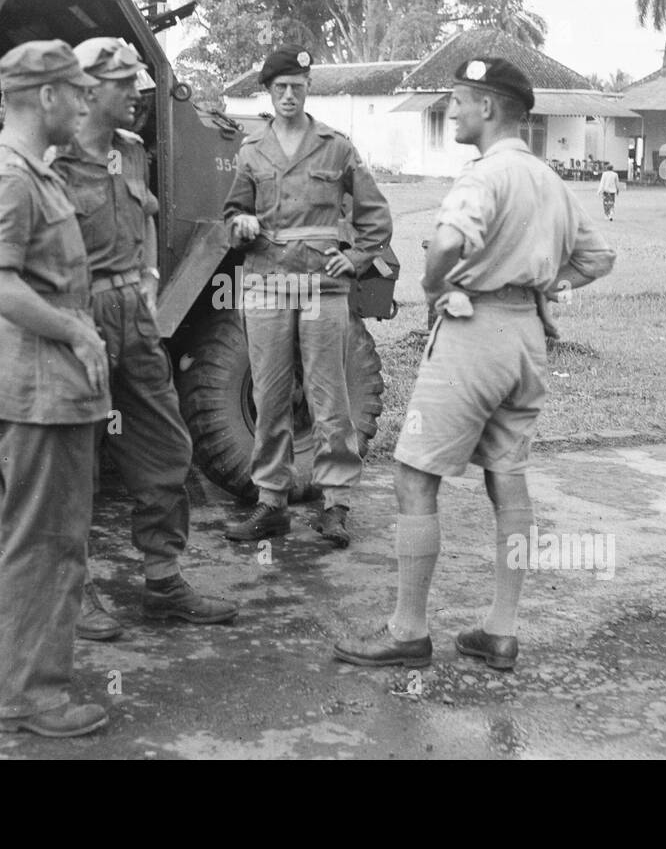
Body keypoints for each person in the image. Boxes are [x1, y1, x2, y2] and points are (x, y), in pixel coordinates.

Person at [333, 57, 615, 671]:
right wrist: (540, 287)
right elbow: (597, 258)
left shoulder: (483, 176)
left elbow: (447, 245)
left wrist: (438, 287)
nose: (452, 110)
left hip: (473, 332)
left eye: (459, 100)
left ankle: (408, 631)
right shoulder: (547, 179)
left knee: (414, 475)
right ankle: (501, 631)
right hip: (526, 342)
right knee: (507, 478)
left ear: (488, 107)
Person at [55, 36, 238, 637]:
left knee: (167, 447)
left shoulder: (132, 152)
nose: (139, 93)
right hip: (78, 321)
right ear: (88, 90)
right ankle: (70, 590)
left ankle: (163, 582)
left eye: (140, 80)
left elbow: (147, 218)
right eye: (125, 82)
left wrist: (152, 282)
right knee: (73, 461)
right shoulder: (49, 162)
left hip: (135, 315)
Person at [0, 40, 111, 738]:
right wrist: (78, 334)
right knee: (47, 543)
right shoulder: (13, 178)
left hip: (20, 386)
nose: (87, 102)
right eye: (77, 91)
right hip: (39, 390)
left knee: (8, 533)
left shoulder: (27, 171)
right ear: (46, 96)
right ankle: (33, 696)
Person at [222, 43, 393, 549]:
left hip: (322, 284)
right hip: (268, 284)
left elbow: (375, 218)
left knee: (328, 397)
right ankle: (271, 503)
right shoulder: (252, 151)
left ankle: (335, 505)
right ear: (269, 93)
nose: (289, 95)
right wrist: (242, 222)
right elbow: (231, 215)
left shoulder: (337, 147)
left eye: (297, 87)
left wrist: (357, 258)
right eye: (280, 88)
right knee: (269, 397)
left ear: (308, 88)